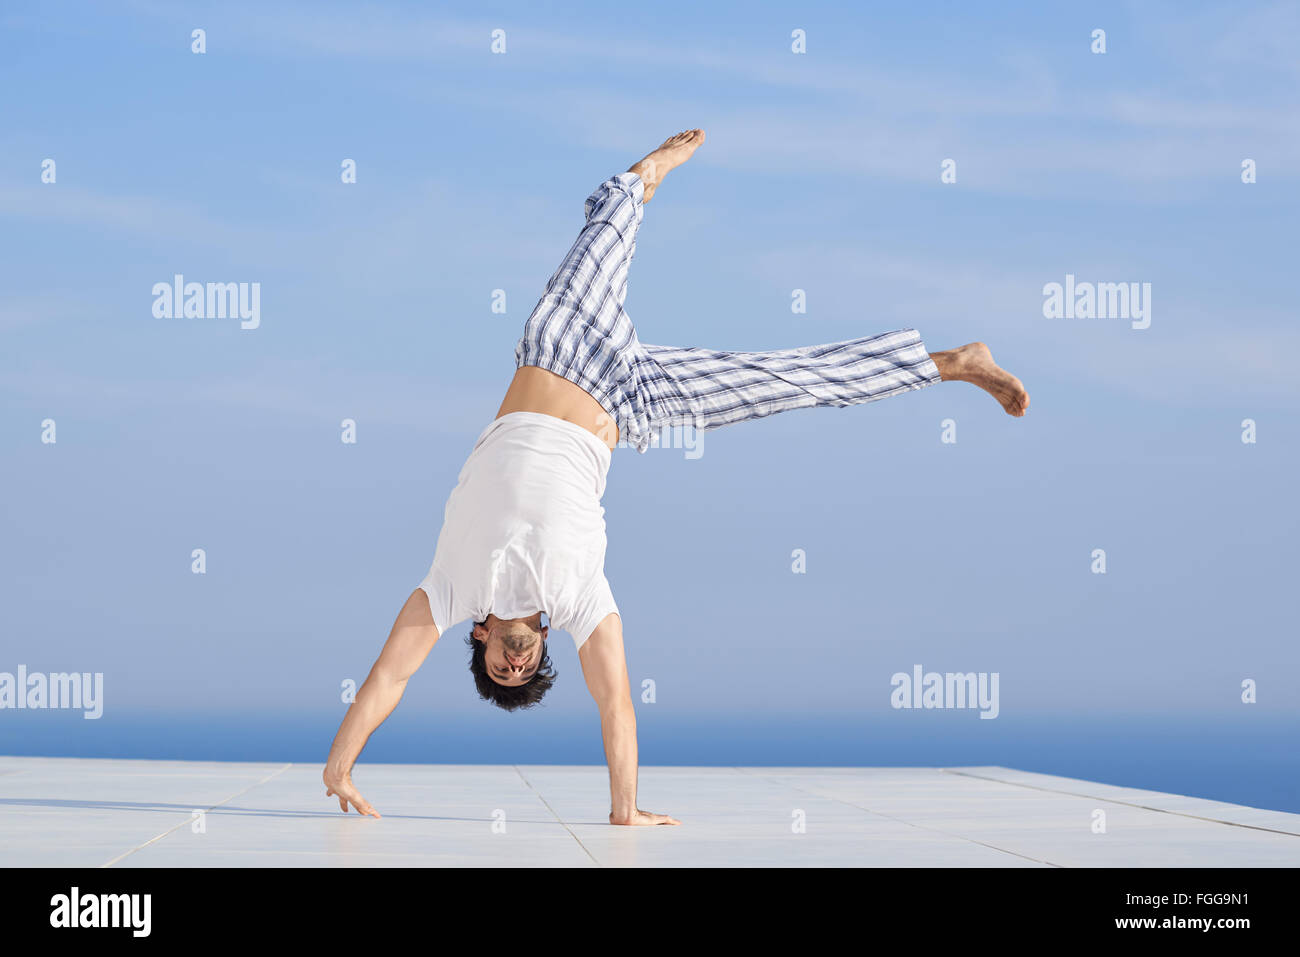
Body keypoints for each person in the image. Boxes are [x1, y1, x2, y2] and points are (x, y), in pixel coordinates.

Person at [322, 129, 1029, 826]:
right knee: (783, 382)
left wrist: (340, 765)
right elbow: (616, 704)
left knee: (607, 224)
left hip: (562, 344)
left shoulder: (453, 588)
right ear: (540, 648)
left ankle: (645, 176)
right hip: (634, 403)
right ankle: (951, 362)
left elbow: (390, 677)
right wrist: (624, 809)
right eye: (524, 670)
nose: (514, 665)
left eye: (500, 670)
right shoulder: (580, 602)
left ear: (479, 639)